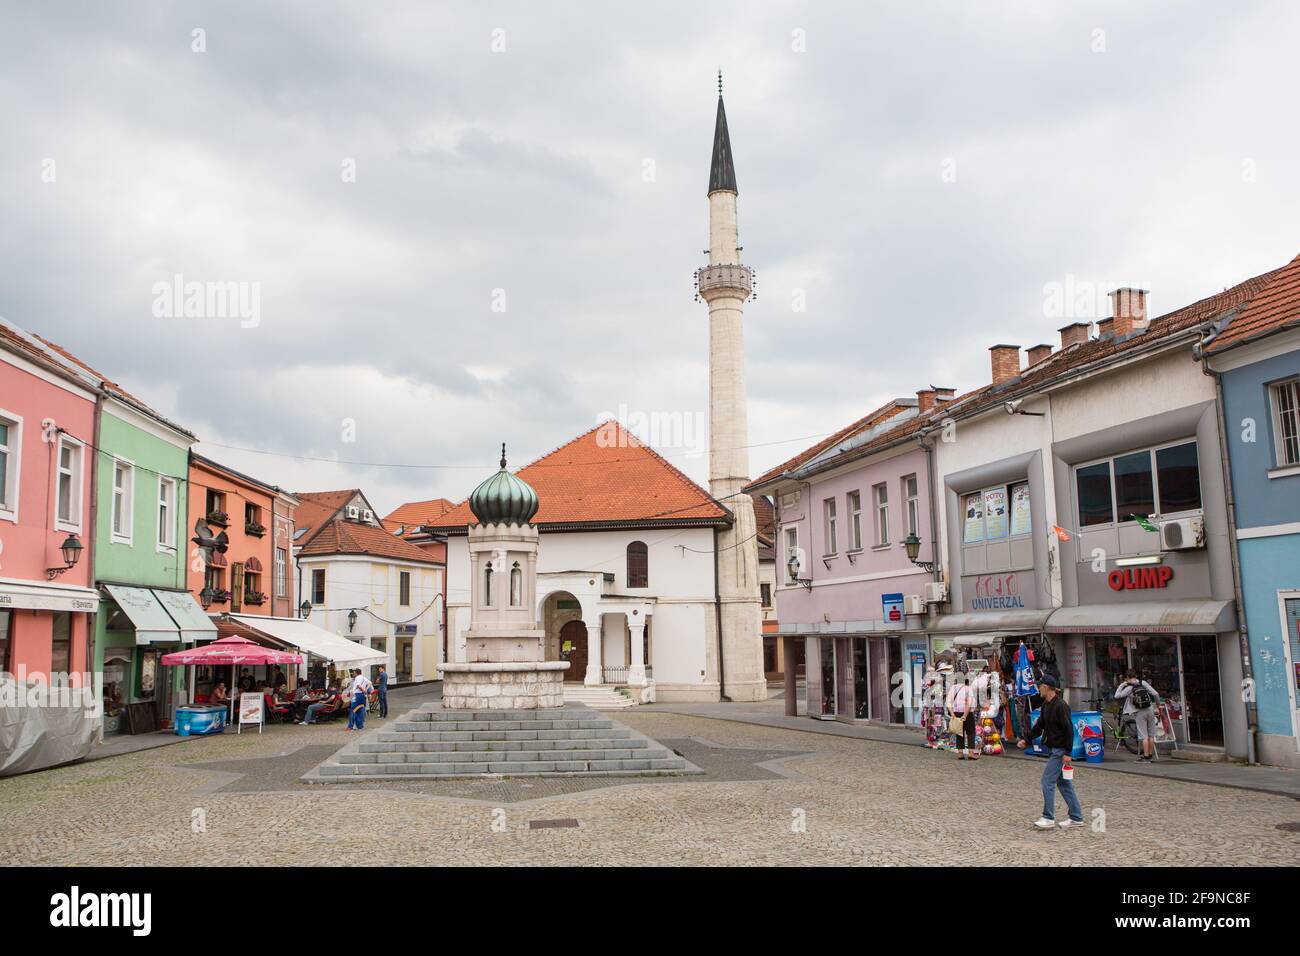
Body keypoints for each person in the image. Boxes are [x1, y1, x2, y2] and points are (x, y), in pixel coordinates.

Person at [1017, 674, 1084, 830]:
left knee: (1047, 781)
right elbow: (1040, 726)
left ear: (1046, 687)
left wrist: (1068, 752)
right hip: (1054, 748)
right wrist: (1026, 739)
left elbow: (1069, 730)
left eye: (1039, 686)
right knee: (1063, 783)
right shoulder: (1047, 705)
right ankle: (1076, 817)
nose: (1038, 689)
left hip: (1060, 750)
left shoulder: (1061, 706)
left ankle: (1048, 817)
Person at [1115, 670, 1161, 762]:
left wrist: (1122, 685)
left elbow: (1117, 696)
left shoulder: (1129, 688)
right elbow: (1156, 694)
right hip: (1150, 709)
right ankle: (1150, 756)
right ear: (1135, 676)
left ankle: (1146, 757)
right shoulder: (1142, 682)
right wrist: (1158, 705)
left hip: (1140, 712)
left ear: (1127, 678)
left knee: (1144, 736)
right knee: (1151, 734)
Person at [946, 673, 978, 760]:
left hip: (956, 713)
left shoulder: (953, 688)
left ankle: (960, 753)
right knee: (971, 732)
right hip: (967, 713)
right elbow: (969, 703)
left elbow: (948, 702)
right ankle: (971, 753)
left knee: (959, 732)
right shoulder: (968, 689)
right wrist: (965, 715)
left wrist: (952, 714)